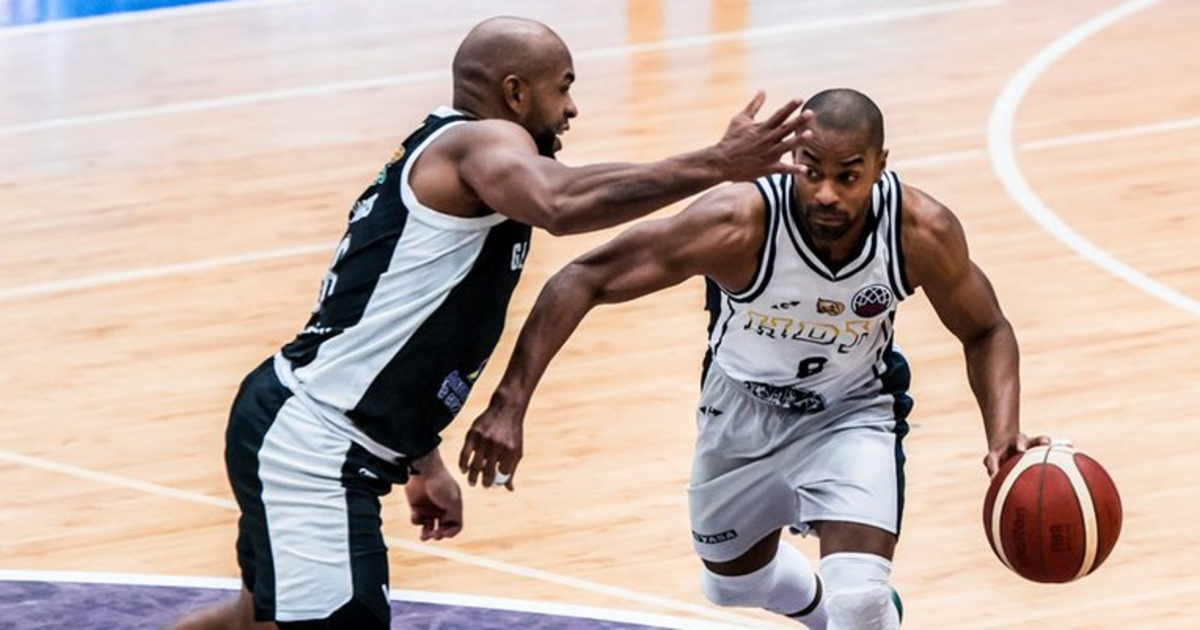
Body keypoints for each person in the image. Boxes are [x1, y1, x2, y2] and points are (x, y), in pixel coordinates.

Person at [165, 15, 812, 630]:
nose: (572, 108)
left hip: (303, 418)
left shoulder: (455, 151)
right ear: (514, 91)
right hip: (315, 447)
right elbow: (560, 201)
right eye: (564, 88)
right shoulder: (484, 142)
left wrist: (422, 457)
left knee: (258, 619)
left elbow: (395, 322)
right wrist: (715, 164)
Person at [459, 88, 1049, 629]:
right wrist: (510, 404)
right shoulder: (737, 223)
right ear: (792, 158)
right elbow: (583, 277)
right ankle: (821, 615)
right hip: (738, 408)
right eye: (811, 171)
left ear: (880, 164)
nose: (825, 193)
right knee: (731, 584)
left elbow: (986, 328)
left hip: (852, 411)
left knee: (862, 599)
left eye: (848, 176)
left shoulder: (919, 231)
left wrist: (1003, 435)